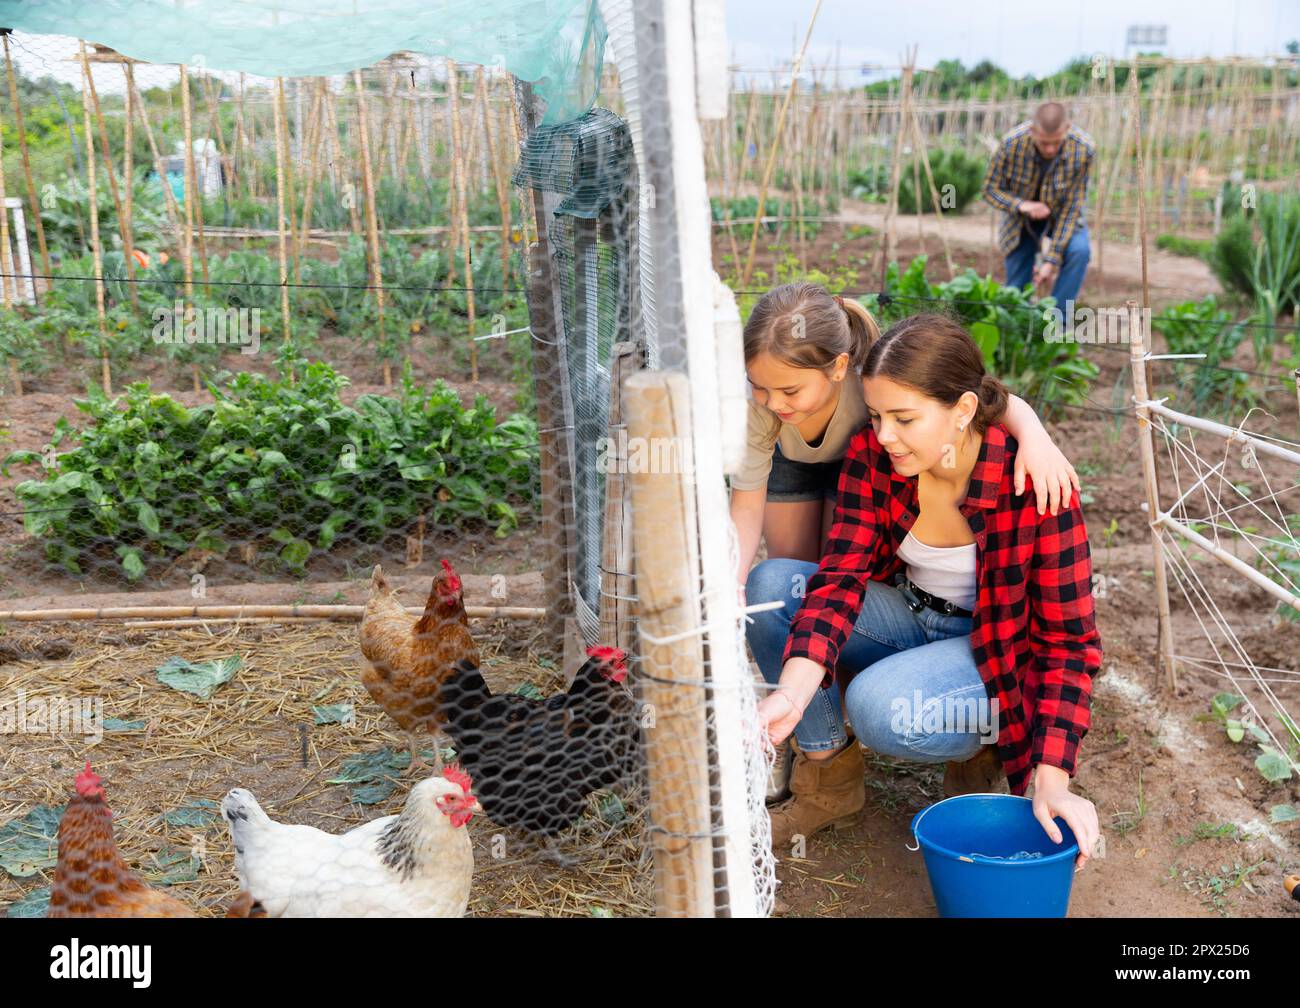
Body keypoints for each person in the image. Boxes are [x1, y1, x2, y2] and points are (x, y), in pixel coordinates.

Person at [746, 313, 1102, 868]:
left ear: (962, 411)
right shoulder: (876, 456)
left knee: (881, 709)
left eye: (904, 419)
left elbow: (1068, 645)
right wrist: (793, 693)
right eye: (879, 415)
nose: (884, 435)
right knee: (773, 586)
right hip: (909, 614)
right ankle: (828, 780)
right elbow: (840, 578)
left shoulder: (1033, 484)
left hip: (992, 648)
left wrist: (1050, 780)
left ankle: (985, 744)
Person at [730, 283, 1080, 594]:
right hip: (790, 464)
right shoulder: (756, 409)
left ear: (838, 367)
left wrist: (1035, 436)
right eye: (759, 386)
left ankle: (852, 666)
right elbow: (745, 506)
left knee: (842, 569)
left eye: (789, 390)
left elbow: (978, 395)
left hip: (858, 469)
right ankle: (807, 658)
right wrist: (734, 581)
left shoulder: (871, 382)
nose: (773, 402)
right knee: (793, 578)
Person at [983, 101, 1095, 306]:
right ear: (1032, 130)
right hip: (1020, 220)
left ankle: (1056, 324)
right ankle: (1017, 325)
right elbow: (990, 190)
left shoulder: (1083, 149)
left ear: (1067, 129)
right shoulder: (1011, 144)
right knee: (1015, 290)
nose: (1050, 149)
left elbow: (1072, 208)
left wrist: (1050, 261)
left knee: (1080, 251)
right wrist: (1022, 205)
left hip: (1061, 215)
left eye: (1056, 142)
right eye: (1044, 143)